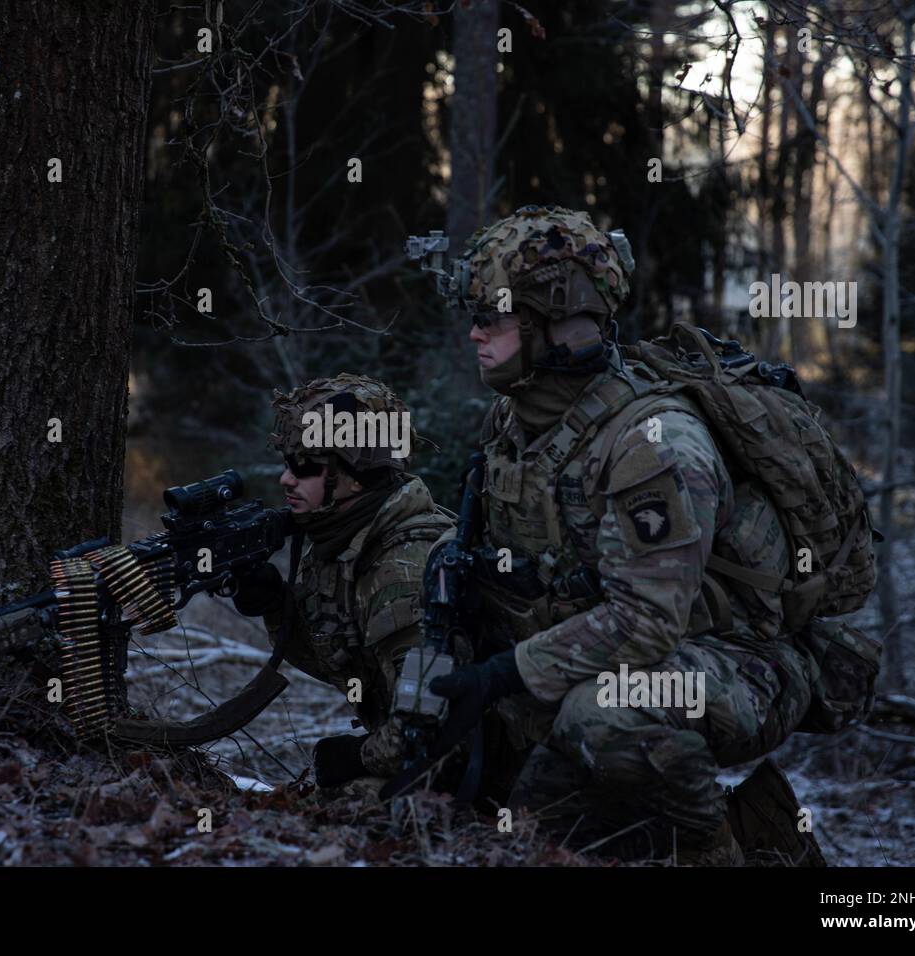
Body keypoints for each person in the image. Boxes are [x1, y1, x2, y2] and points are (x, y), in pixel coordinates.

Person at [421, 204, 818, 864]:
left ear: (554, 323)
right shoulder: (517, 421)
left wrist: (507, 672)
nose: (474, 333)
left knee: (602, 715)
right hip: (609, 652)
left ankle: (725, 850)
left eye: (491, 316)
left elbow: (646, 621)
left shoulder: (653, 443)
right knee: (527, 816)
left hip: (734, 659)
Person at [230, 373, 454, 792]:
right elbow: (347, 663)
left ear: (356, 478)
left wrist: (356, 757)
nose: (286, 479)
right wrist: (277, 609)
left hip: (465, 764)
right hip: (429, 753)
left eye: (304, 467)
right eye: (287, 463)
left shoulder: (401, 567)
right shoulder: (347, 538)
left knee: (347, 801)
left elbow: (427, 728)